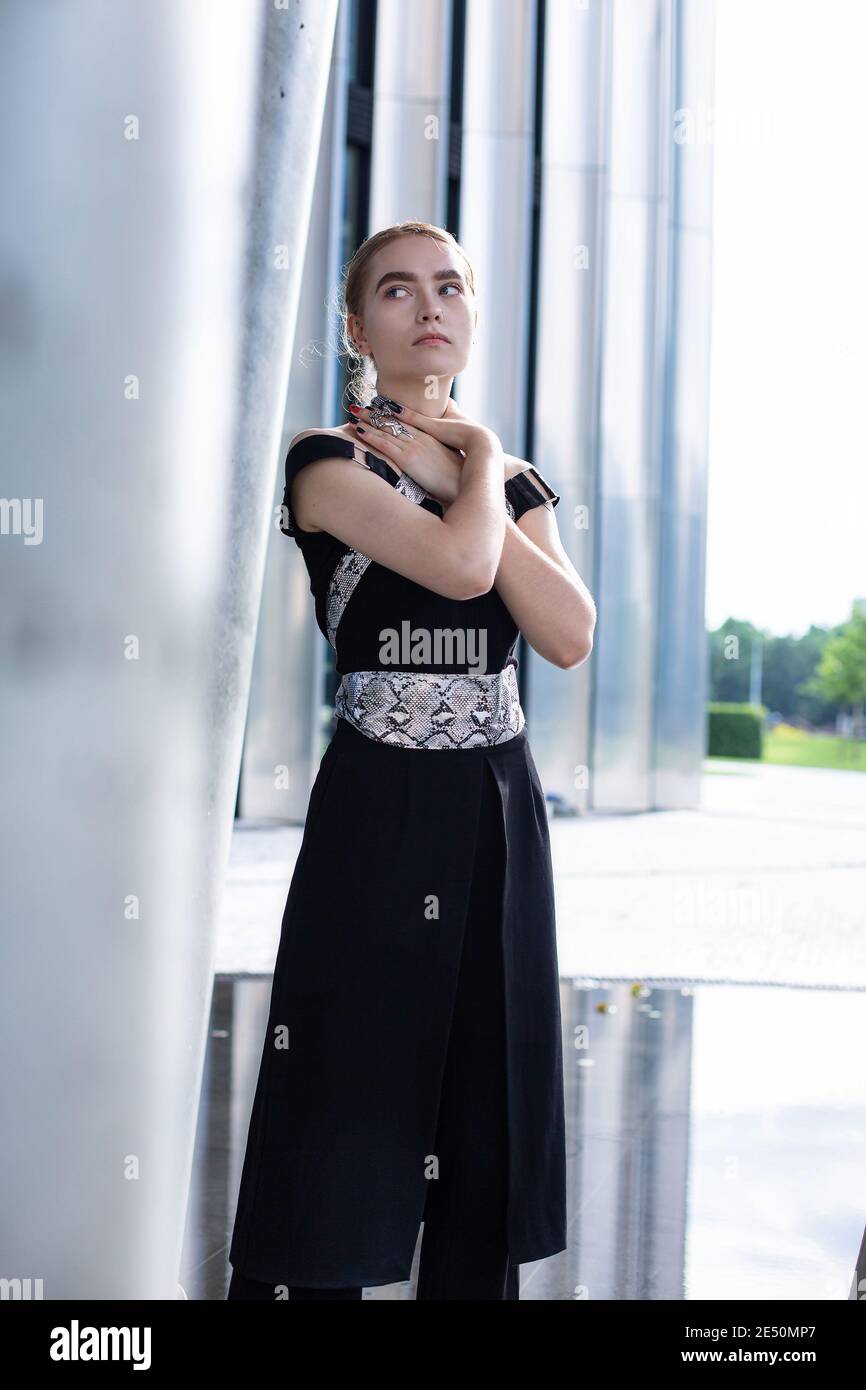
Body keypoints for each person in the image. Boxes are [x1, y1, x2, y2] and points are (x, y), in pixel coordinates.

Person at [226, 220, 596, 1301]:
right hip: (378, 798)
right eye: (396, 290)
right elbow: (459, 563)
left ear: (471, 317)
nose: (427, 305)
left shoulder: (513, 479)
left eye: (448, 287)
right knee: (343, 1069)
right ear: (356, 326)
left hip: (494, 803)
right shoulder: (326, 461)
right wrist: (475, 459)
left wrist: (474, 461)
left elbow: (569, 635)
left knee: (489, 1081)